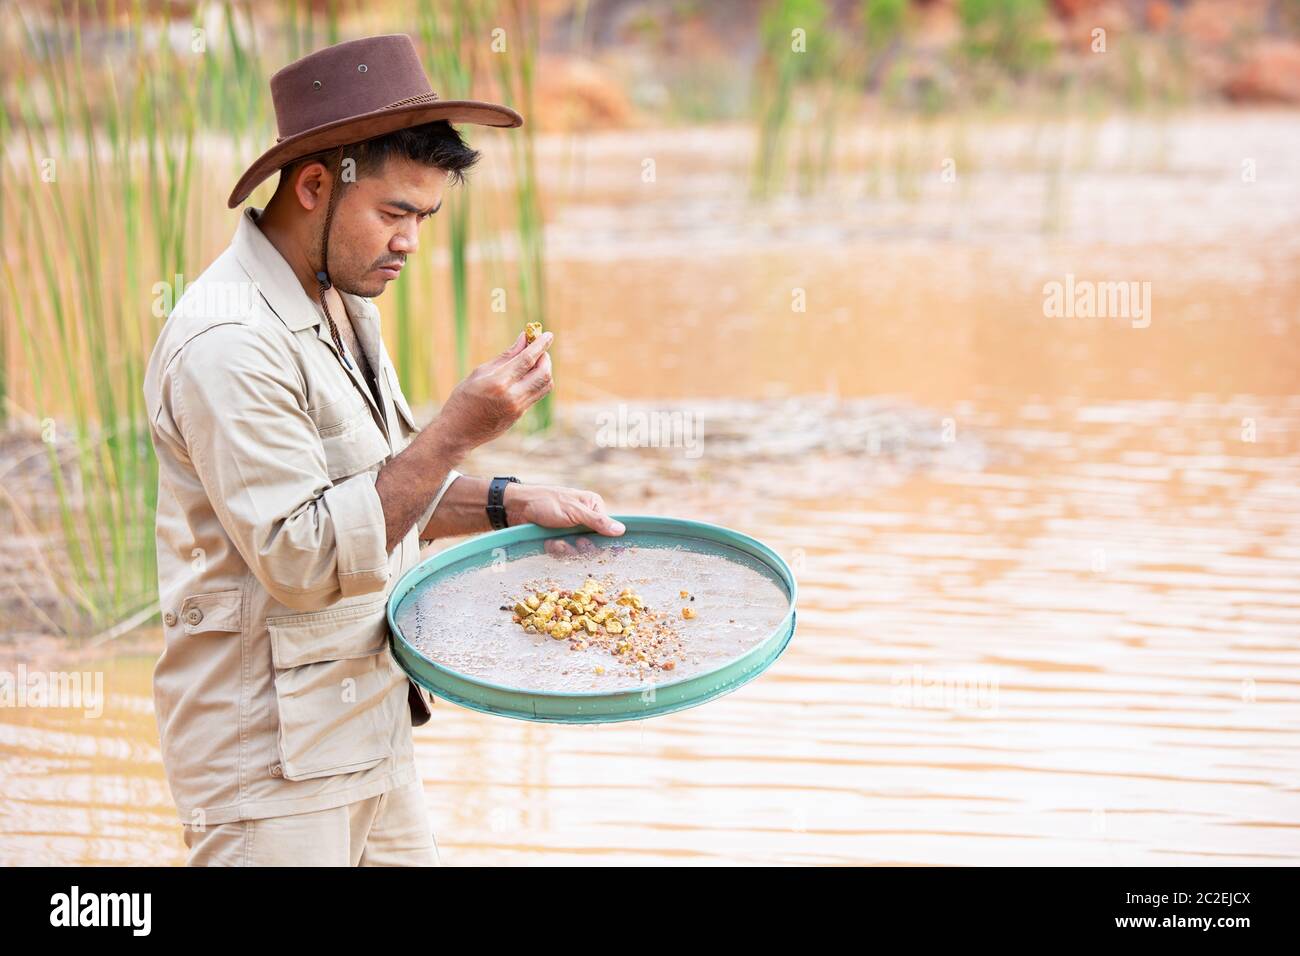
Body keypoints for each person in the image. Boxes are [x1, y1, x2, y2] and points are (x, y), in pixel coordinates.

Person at [142, 33, 624, 866]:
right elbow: (303, 558)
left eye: (424, 219)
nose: (409, 242)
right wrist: (455, 431)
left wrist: (514, 504)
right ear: (316, 184)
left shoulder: (340, 300)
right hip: (269, 766)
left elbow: (384, 493)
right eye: (395, 213)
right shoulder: (229, 341)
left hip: (364, 726)